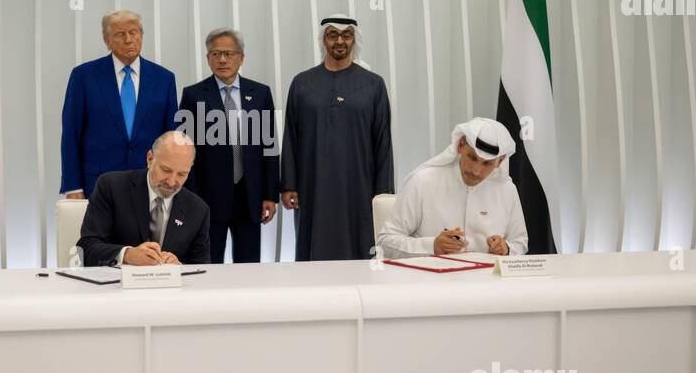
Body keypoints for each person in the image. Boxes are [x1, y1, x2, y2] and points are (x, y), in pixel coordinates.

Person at [280, 15, 394, 261]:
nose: (339, 41)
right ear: (324, 39)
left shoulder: (373, 85)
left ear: (354, 39)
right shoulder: (302, 83)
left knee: (361, 246)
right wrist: (289, 183)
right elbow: (291, 136)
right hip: (312, 184)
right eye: (333, 35)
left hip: (360, 187)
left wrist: (383, 194)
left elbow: (383, 142)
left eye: (346, 35)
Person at [177, 28, 280, 263]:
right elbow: (184, 150)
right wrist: (190, 197)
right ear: (208, 58)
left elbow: (270, 147)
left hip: (250, 195)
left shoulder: (261, 93)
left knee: (248, 265)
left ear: (241, 57)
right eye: (216, 54)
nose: (222, 60)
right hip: (208, 199)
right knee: (208, 264)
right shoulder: (193, 95)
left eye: (229, 53)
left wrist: (269, 195)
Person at [60, 10, 179, 199]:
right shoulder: (84, 76)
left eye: (134, 32)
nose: (129, 39)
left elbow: (171, 135)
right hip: (98, 183)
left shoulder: (164, 79)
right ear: (107, 41)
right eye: (120, 34)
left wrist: (171, 181)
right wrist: (73, 186)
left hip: (149, 183)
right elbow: (70, 135)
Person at [377, 117, 529, 259]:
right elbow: (385, 242)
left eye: (487, 164)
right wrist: (431, 246)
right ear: (461, 145)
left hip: (487, 282)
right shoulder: (423, 181)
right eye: (472, 157)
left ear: (500, 161)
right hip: (432, 283)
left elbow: (520, 243)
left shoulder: (507, 190)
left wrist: (506, 249)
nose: (476, 171)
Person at [76, 131, 211, 267]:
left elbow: (202, 269)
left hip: (170, 288)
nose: (171, 182)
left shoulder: (198, 210)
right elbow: (86, 248)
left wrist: (179, 266)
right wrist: (127, 255)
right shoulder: (111, 187)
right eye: (166, 170)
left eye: (181, 174)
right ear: (150, 159)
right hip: (117, 285)